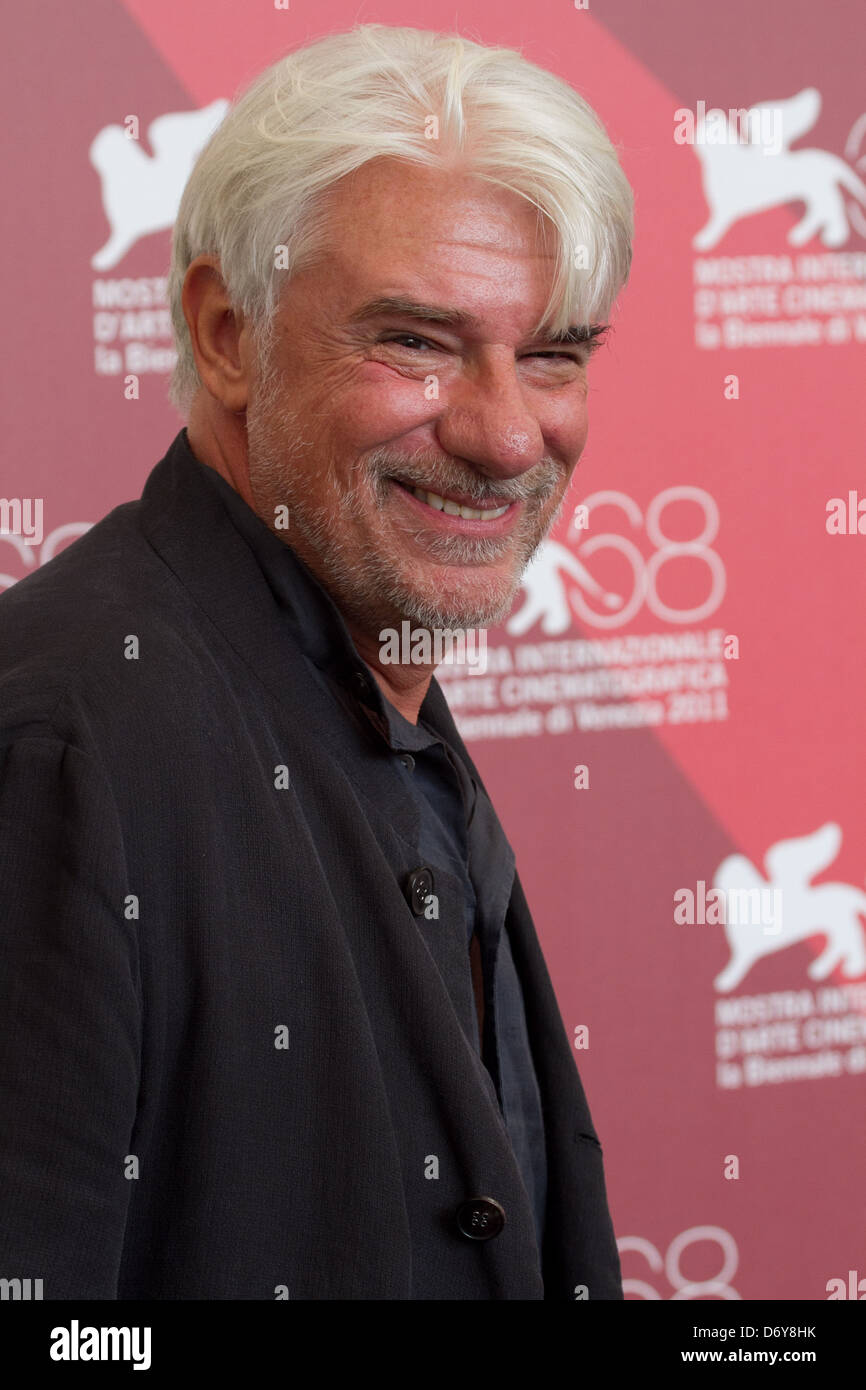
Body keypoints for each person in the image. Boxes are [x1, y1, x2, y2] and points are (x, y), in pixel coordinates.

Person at [0, 23, 632, 1299]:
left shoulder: (362, 663)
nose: (507, 435)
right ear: (226, 332)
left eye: (553, 353)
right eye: (416, 342)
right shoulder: (62, 745)